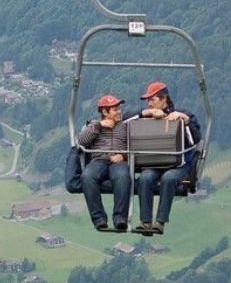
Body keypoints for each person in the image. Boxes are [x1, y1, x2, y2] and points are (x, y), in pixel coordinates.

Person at [129, 82, 201, 236]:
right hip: (154, 163)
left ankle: (160, 222)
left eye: (152, 100)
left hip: (178, 165)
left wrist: (184, 120)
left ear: (164, 99)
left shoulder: (182, 114)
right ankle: (146, 222)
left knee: (169, 179)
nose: (149, 103)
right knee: (145, 178)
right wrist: (144, 113)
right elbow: (123, 122)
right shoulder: (147, 117)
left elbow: (195, 140)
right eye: (147, 101)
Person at [77, 94, 130, 232]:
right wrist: (99, 125)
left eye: (119, 109)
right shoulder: (94, 125)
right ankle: (99, 218)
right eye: (115, 109)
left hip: (118, 161)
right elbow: (82, 141)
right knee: (87, 177)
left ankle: (120, 218)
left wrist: (123, 156)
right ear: (104, 112)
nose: (119, 111)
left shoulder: (125, 126)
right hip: (99, 160)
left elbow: (134, 146)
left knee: (123, 176)